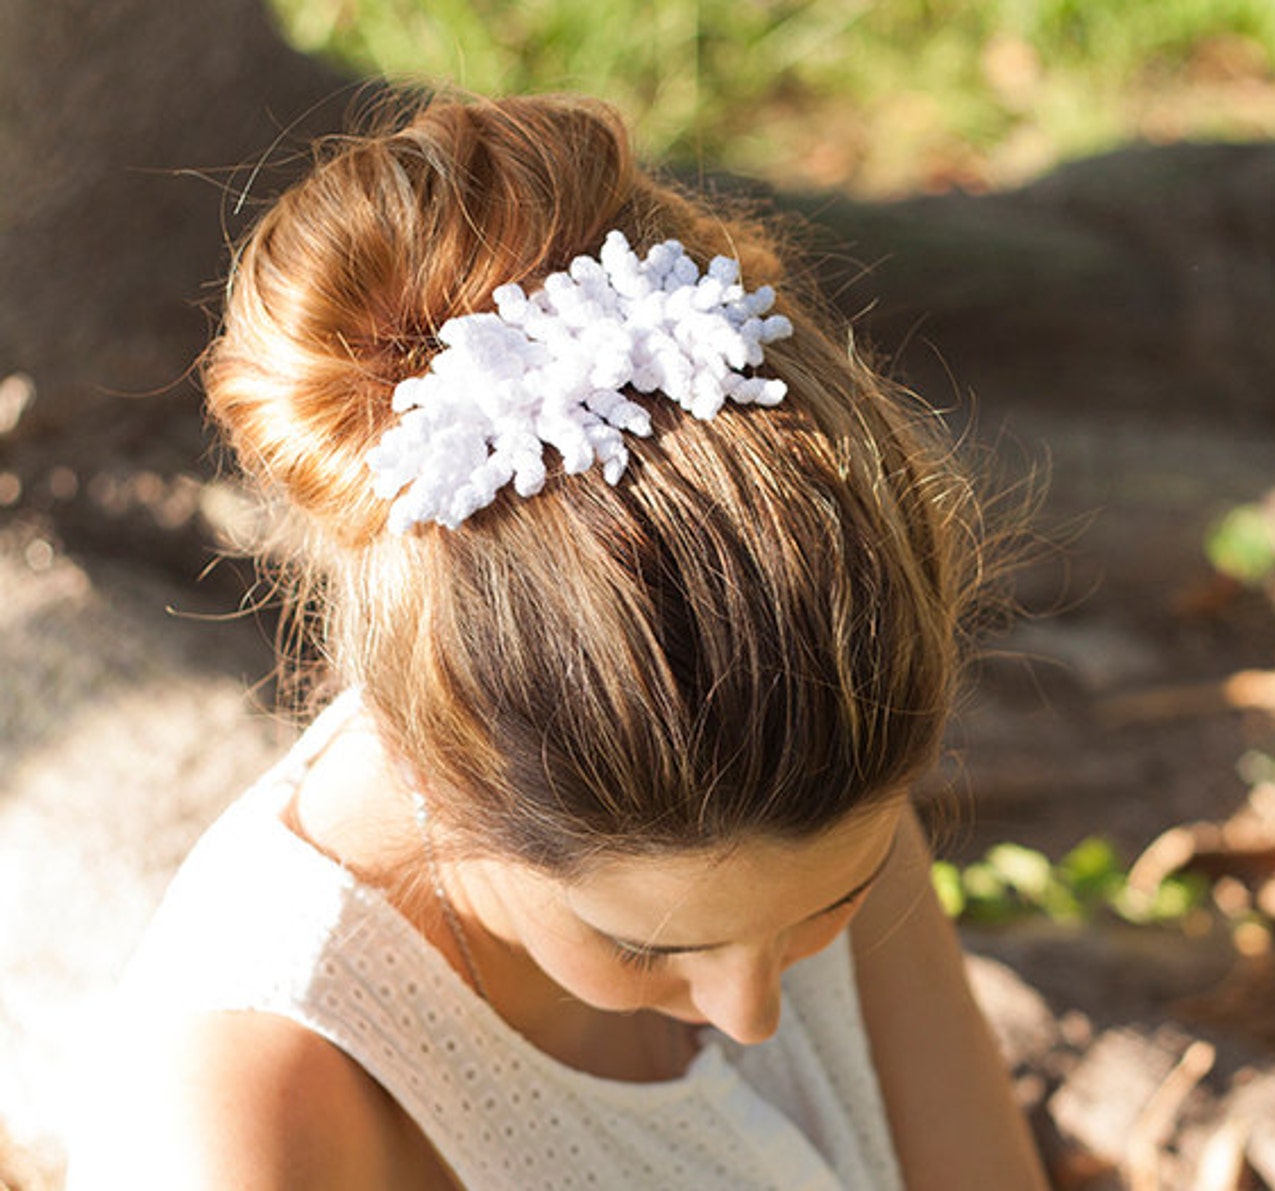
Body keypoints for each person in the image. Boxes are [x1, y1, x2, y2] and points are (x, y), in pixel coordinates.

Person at [69, 93, 1047, 1190]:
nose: (753, 1011)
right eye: (647, 949)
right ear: (432, 771)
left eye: (834, 907)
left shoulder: (802, 756)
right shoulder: (263, 1113)